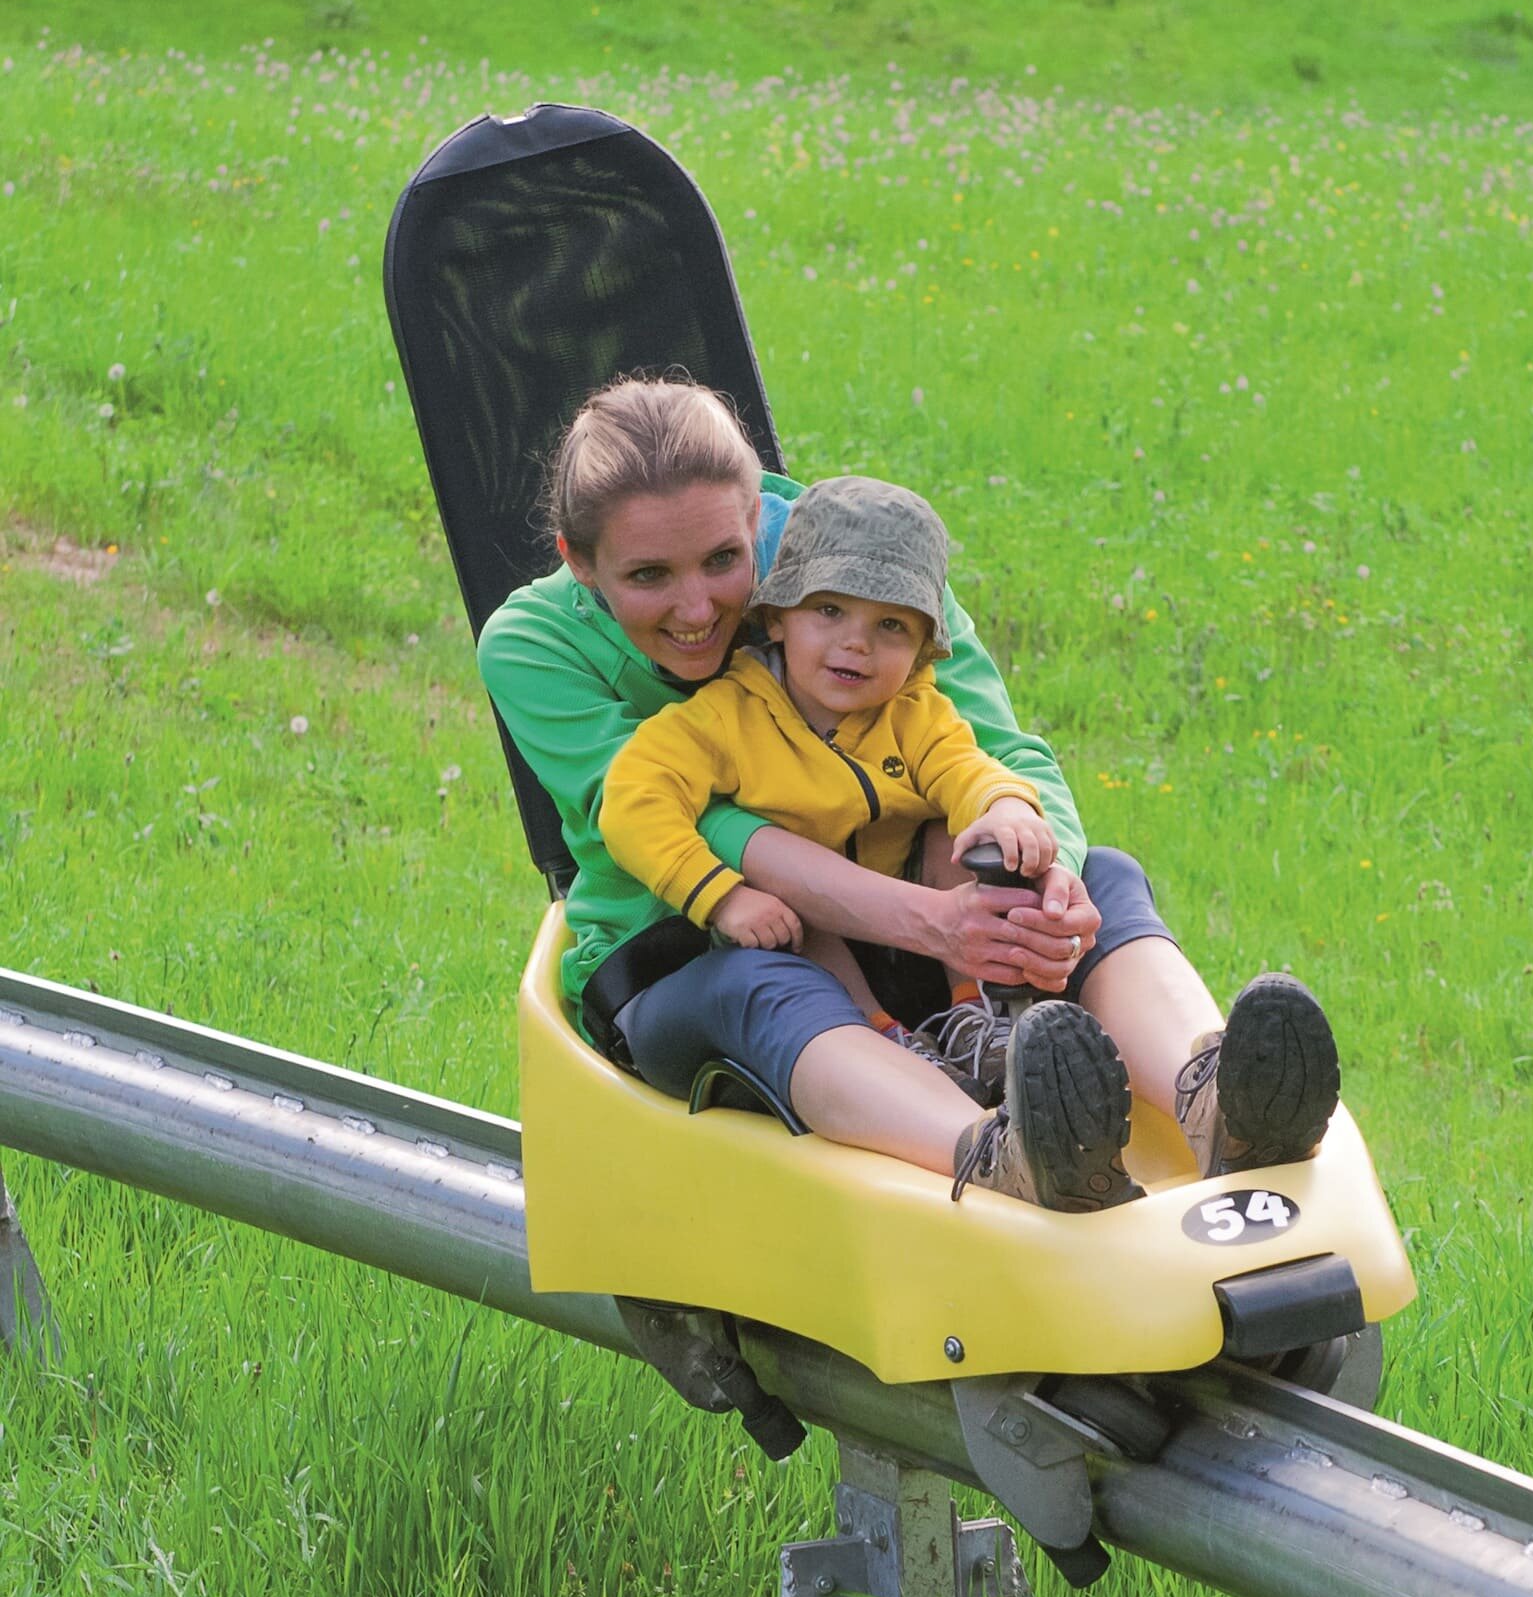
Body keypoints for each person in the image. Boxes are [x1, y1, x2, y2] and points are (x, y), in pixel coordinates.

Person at [476, 373, 1340, 1207]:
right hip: (693, 953)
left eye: (723, 559)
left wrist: (1047, 887)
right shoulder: (530, 643)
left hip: (907, 948)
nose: (699, 607)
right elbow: (692, 821)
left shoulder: (856, 558)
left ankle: (1215, 1096)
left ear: (758, 525)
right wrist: (930, 922)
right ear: (580, 563)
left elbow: (994, 749)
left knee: (1105, 877)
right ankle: (1001, 1156)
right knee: (763, 978)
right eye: (648, 577)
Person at [595, 470, 1149, 1210]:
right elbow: (635, 800)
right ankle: (904, 1057)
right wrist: (720, 894)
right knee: (788, 918)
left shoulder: (914, 712)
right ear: (779, 616)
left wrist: (1008, 811)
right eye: (829, 610)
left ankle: (989, 1028)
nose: (857, 644)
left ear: (922, 648)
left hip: (904, 948)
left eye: (892, 626)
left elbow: (967, 767)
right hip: (794, 943)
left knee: (971, 837)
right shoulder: (725, 717)